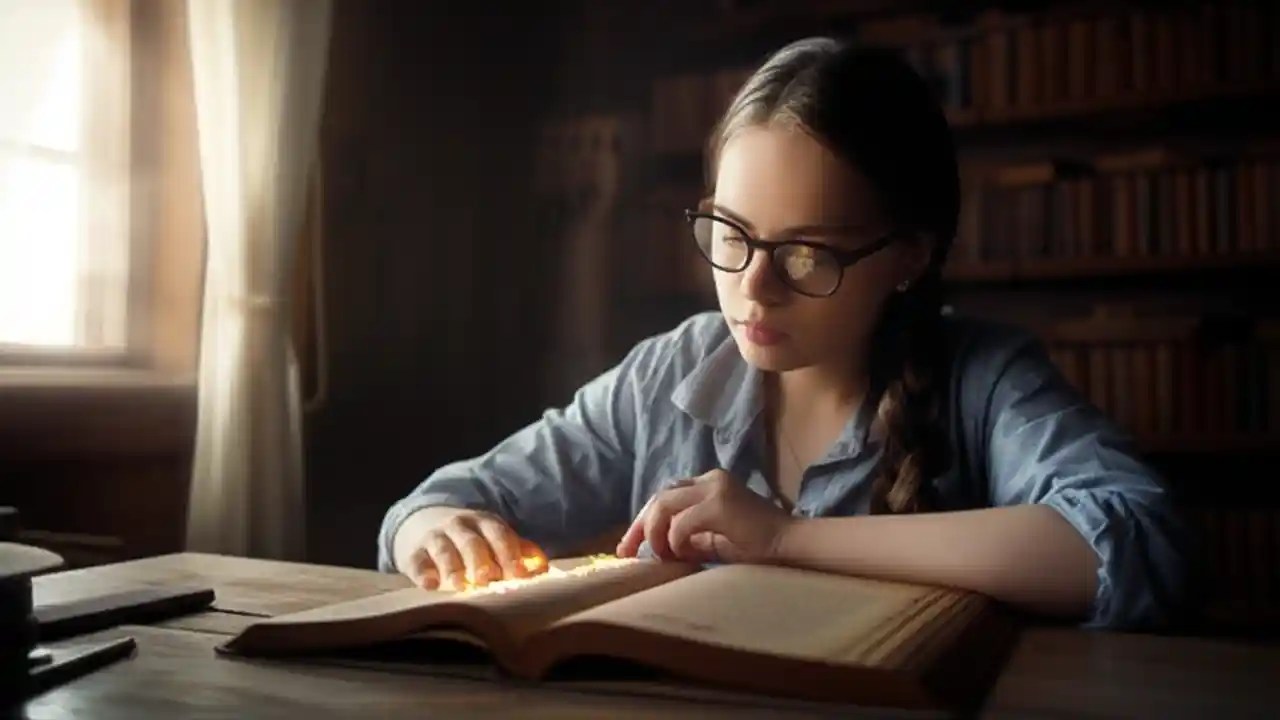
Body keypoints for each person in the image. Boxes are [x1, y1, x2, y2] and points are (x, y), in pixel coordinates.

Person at [377, 38, 1194, 630]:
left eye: (807, 253)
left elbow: (1129, 543)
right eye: (730, 235)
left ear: (907, 255)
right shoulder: (671, 374)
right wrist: (432, 528)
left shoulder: (979, 380)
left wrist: (789, 539)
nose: (752, 289)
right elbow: (437, 505)